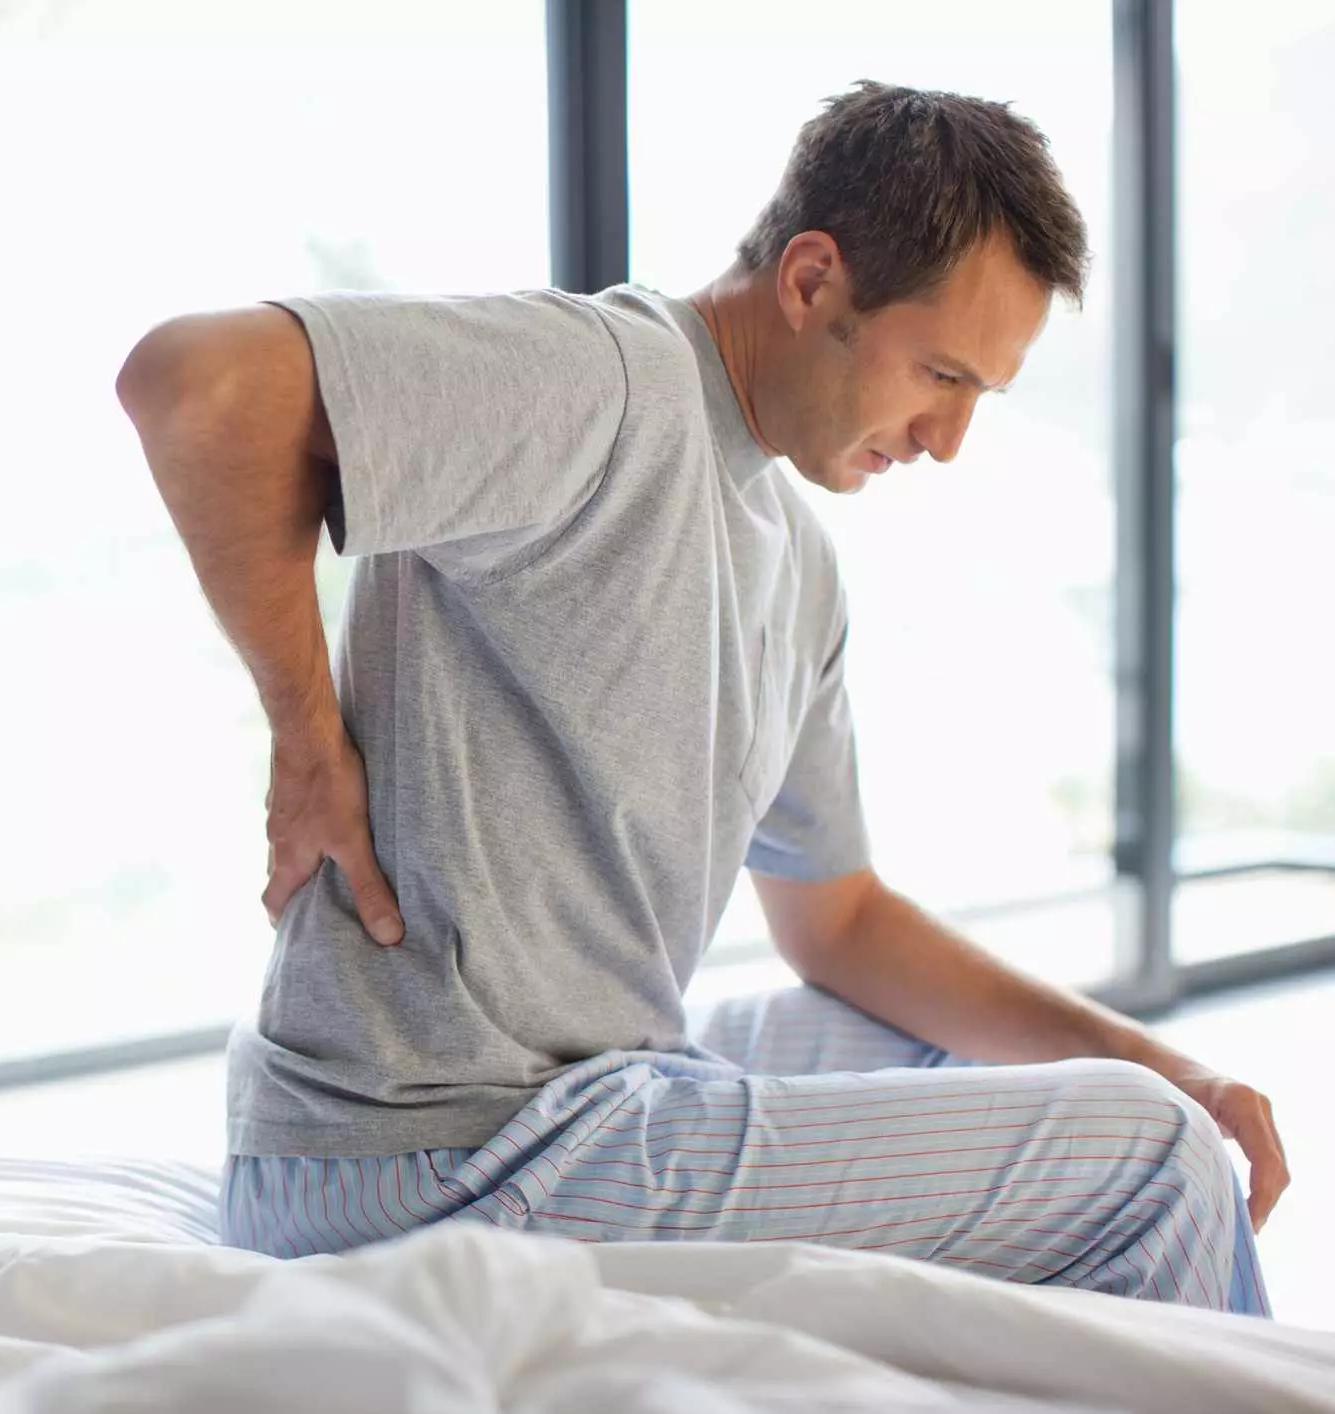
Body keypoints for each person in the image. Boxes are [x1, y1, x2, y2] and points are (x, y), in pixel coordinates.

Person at [115, 82, 1286, 1316]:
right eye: (939, 373)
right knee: (1151, 1167)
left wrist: (1172, 1069)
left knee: (1022, 1071)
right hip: (433, 1154)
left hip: (594, 1090)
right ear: (811, 279)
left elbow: (835, 923)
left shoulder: (799, 555)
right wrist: (308, 739)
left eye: (978, 394)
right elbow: (198, 385)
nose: (947, 439)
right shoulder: (608, 384)